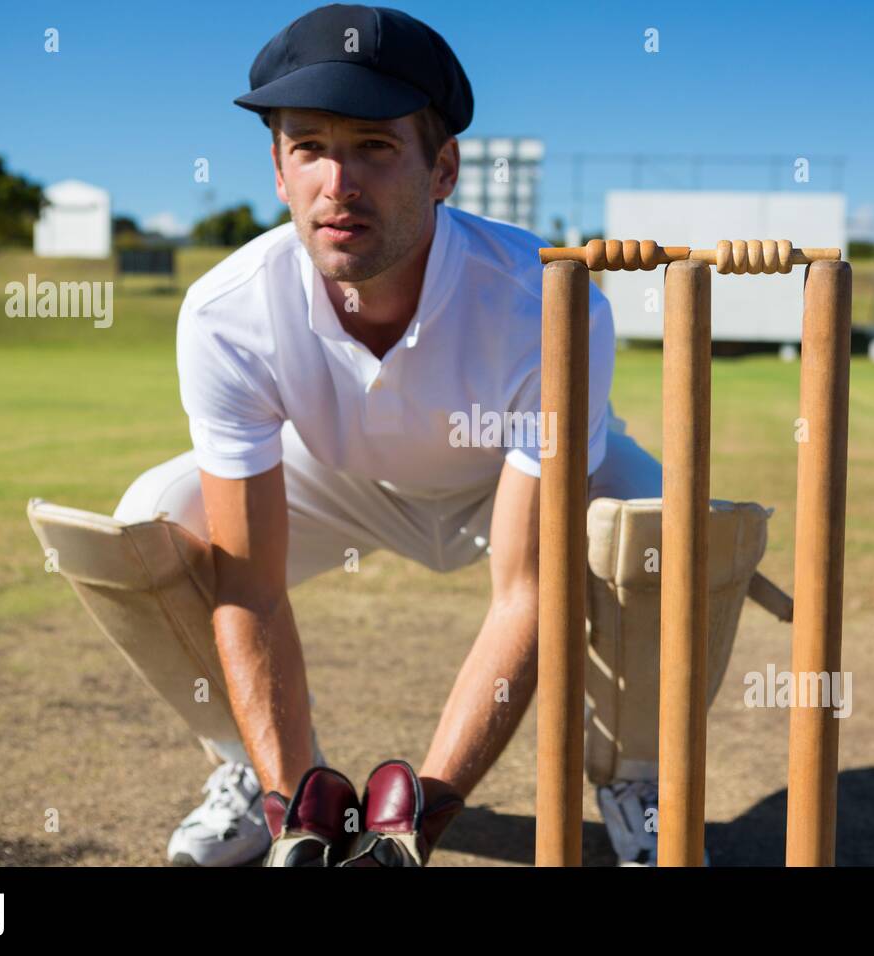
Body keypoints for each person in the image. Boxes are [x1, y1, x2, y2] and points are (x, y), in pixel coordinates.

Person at [99, 3, 762, 867]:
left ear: (442, 167)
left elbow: (528, 593)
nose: (337, 183)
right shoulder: (229, 312)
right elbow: (251, 587)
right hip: (336, 481)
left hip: (503, 486)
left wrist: (414, 829)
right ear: (277, 167)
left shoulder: (542, 304)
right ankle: (258, 777)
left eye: (375, 147)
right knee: (149, 516)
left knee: (672, 532)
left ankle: (636, 772)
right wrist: (302, 813)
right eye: (309, 147)